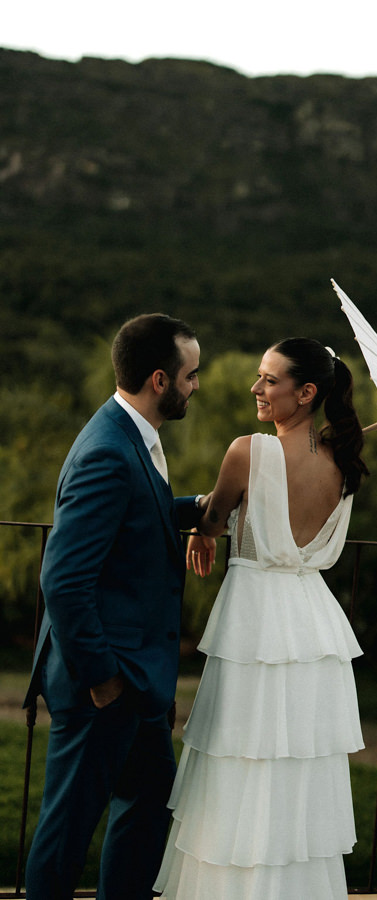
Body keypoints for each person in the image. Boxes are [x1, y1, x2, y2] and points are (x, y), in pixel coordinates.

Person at [154, 337, 369, 900]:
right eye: (260, 376)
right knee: (294, 773)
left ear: (307, 393)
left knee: (238, 762)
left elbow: (215, 515)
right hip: (311, 628)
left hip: (255, 627)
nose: (257, 388)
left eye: (269, 381)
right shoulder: (343, 466)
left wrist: (202, 531)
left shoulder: (248, 452)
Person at [23, 313, 216, 900]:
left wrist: (199, 507)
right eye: (191, 375)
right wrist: (102, 677)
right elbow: (63, 578)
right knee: (67, 831)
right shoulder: (109, 451)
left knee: (151, 802)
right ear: (160, 380)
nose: (196, 386)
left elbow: (137, 516)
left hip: (135, 682)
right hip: (104, 682)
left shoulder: (130, 433)